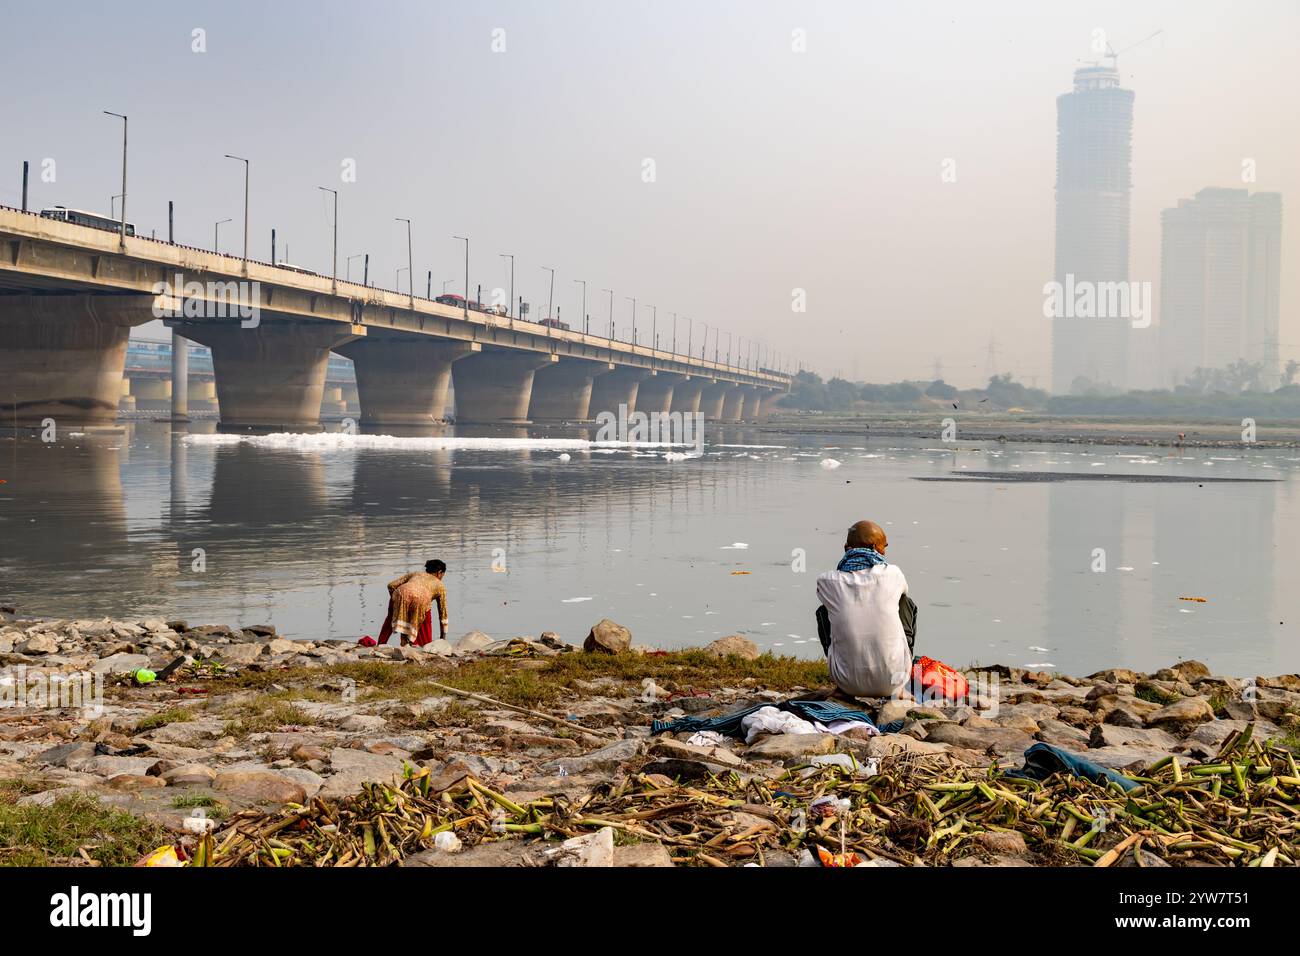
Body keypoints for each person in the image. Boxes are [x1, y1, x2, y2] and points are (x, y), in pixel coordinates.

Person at [815, 520, 916, 699]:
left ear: (847, 548)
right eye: (883, 547)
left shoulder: (827, 581)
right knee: (905, 603)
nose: (885, 551)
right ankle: (900, 688)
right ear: (875, 548)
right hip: (892, 681)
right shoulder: (893, 574)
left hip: (847, 683)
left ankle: (841, 688)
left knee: (825, 611)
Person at [377, 559, 449, 647]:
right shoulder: (440, 585)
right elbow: (443, 612)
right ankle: (426, 645)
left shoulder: (415, 574)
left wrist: (397, 604)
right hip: (422, 598)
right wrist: (443, 637)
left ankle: (381, 643)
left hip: (401, 592)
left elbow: (391, 585)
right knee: (425, 620)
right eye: (442, 575)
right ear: (439, 572)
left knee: (390, 617)